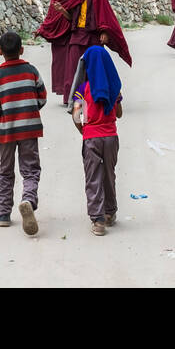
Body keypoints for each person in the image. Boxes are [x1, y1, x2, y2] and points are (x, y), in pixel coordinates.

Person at [0, 30, 47, 235]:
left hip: (6, 132)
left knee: (6, 171)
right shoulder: (31, 71)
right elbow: (42, 98)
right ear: (22, 49)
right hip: (29, 129)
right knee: (30, 169)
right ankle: (28, 199)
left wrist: (4, 115)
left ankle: (3, 214)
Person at [72, 43, 123, 236]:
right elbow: (119, 113)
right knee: (109, 175)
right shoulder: (113, 86)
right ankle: (110, 213)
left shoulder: (83, 88)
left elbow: (76, 114)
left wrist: (83, 130)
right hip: (110, 137)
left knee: (93, 178)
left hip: (91, 137)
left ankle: (98, 220)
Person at [61, 0, 132, 100]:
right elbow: (71, 17)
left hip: (93, 35)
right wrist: (62, 11)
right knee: (74, 67)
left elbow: (103, 12)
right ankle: (75, 97)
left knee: (96, 67)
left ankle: (102, 93)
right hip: (77, 34)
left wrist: (104, 32)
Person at [33, 0, 76, 104]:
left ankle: (70, 95)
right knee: (59, 66)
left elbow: (73, 19)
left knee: (70, 67)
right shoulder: (55, 0)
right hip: (57, 39)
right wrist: (40, 30)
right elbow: (50, 19)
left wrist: (63, 10)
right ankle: (64, 93)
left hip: (69, 37)